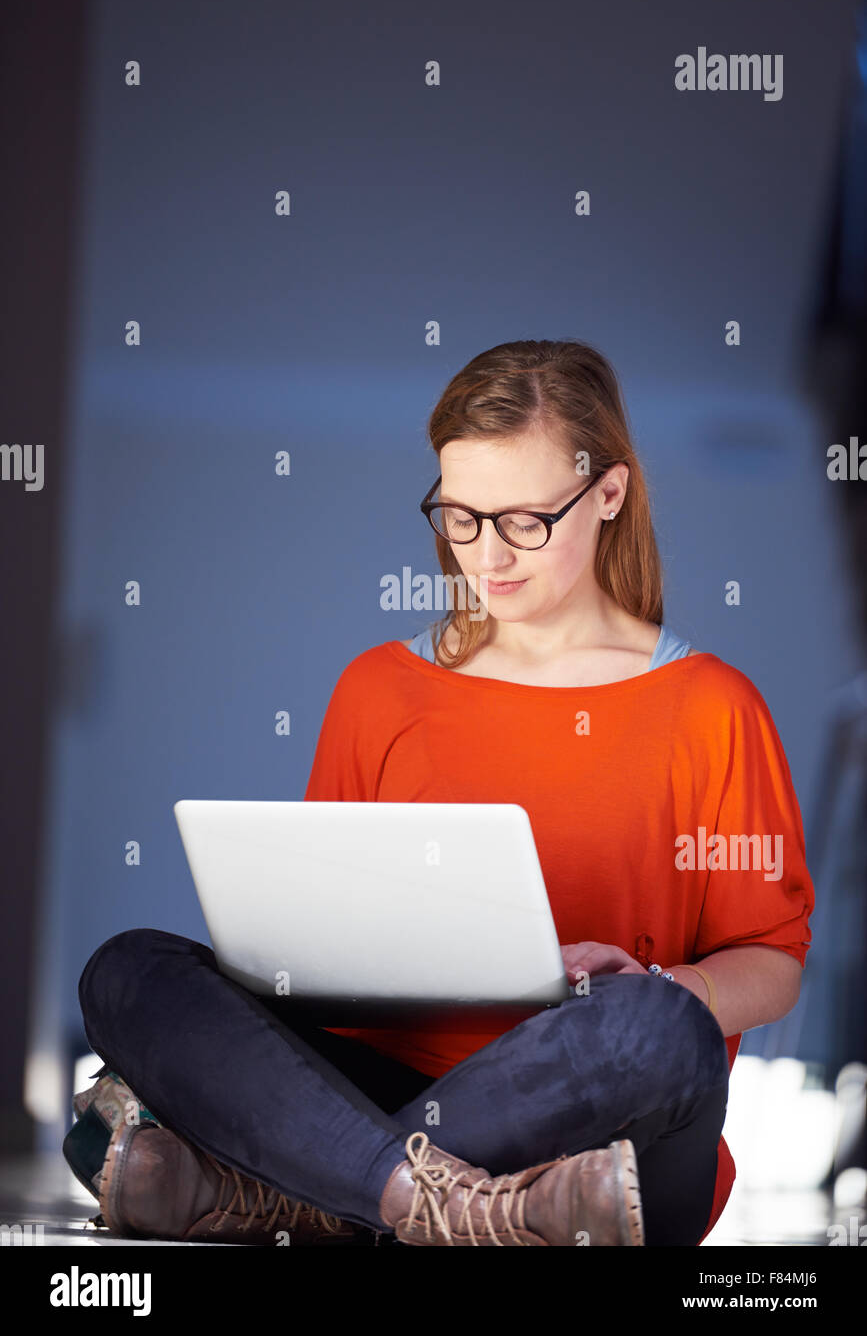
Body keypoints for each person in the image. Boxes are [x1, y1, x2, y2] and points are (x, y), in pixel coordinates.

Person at [72, 338, 815, 1246]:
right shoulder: (379, 688)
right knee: (128, 971)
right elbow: (311, 946)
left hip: (597, 1132)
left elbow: (771, 966)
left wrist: (665, 985)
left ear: (609, 493)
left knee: (663, 1031)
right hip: (381, 1092)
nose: (485, 556)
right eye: (459, 518)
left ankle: (313, 1194)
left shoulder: (711, 706)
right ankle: (428, 1206)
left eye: (522, 522)